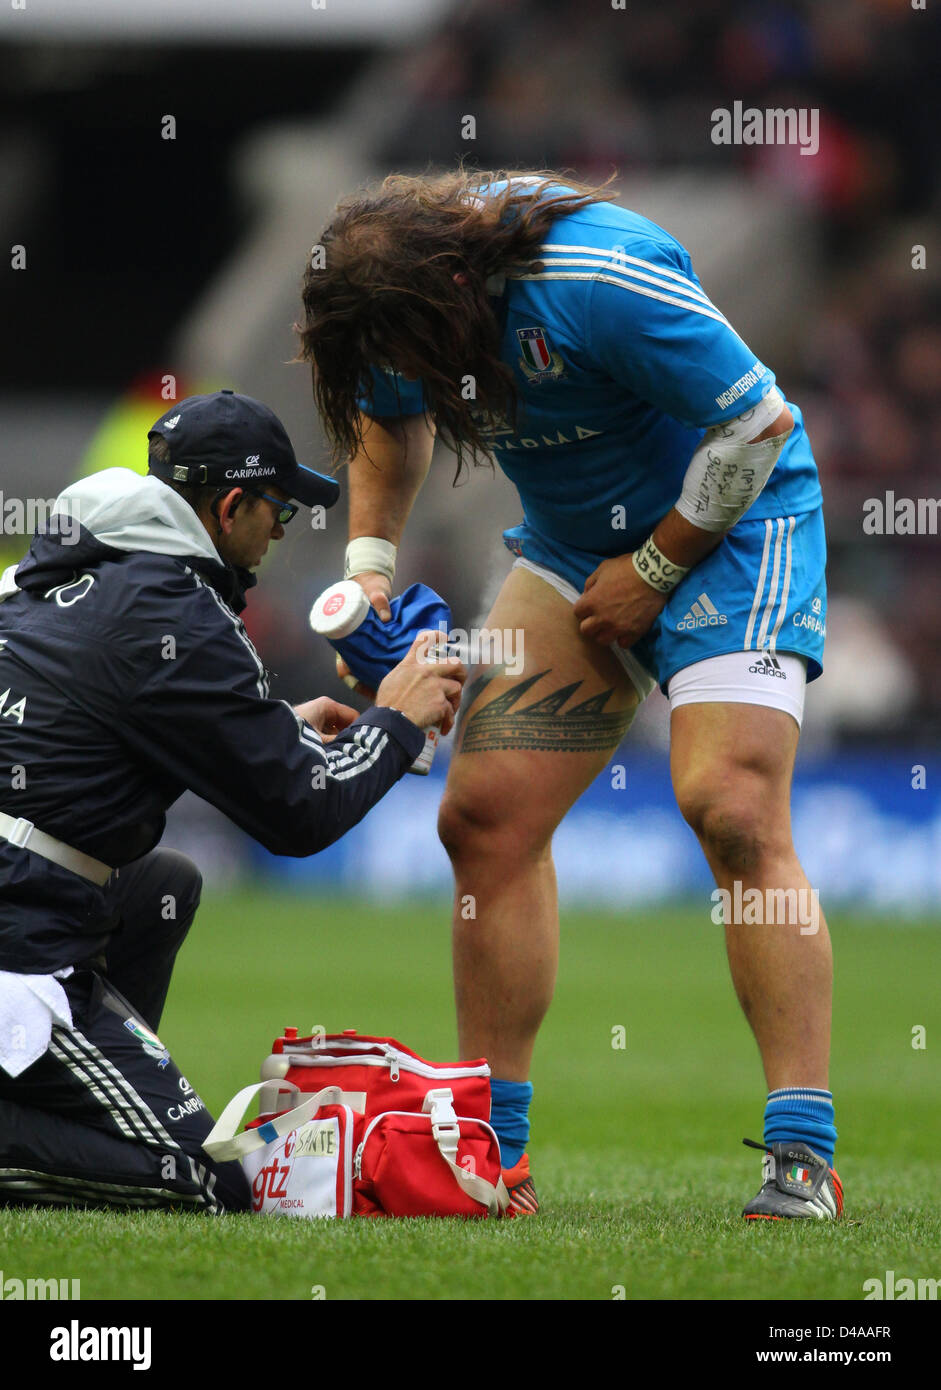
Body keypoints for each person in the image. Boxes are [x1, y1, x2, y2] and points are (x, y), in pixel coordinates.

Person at [297, 170, 843, 1221]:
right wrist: (368, 568)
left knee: (728, 807)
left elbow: (758, 424)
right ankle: (491, 1155)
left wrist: (651, 570)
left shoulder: (597, 277)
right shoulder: (402, 291)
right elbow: (388, 417)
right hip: (572, 546)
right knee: (484, 818)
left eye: (415, 350)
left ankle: (800, 1156)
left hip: (735, 530)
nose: (408, 373)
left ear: (462, 284)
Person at [0, 389, 465, 1213]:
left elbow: (97, 722)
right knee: (211, 1184)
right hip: (18, 948)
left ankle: (61, 1102)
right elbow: (300, 815)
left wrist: (272, 725)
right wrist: (397, 717)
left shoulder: (54, 578)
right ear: (230, 505)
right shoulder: (171, 606)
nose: (282, 532)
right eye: (277, 510)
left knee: (162, 887)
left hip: (21, 901)